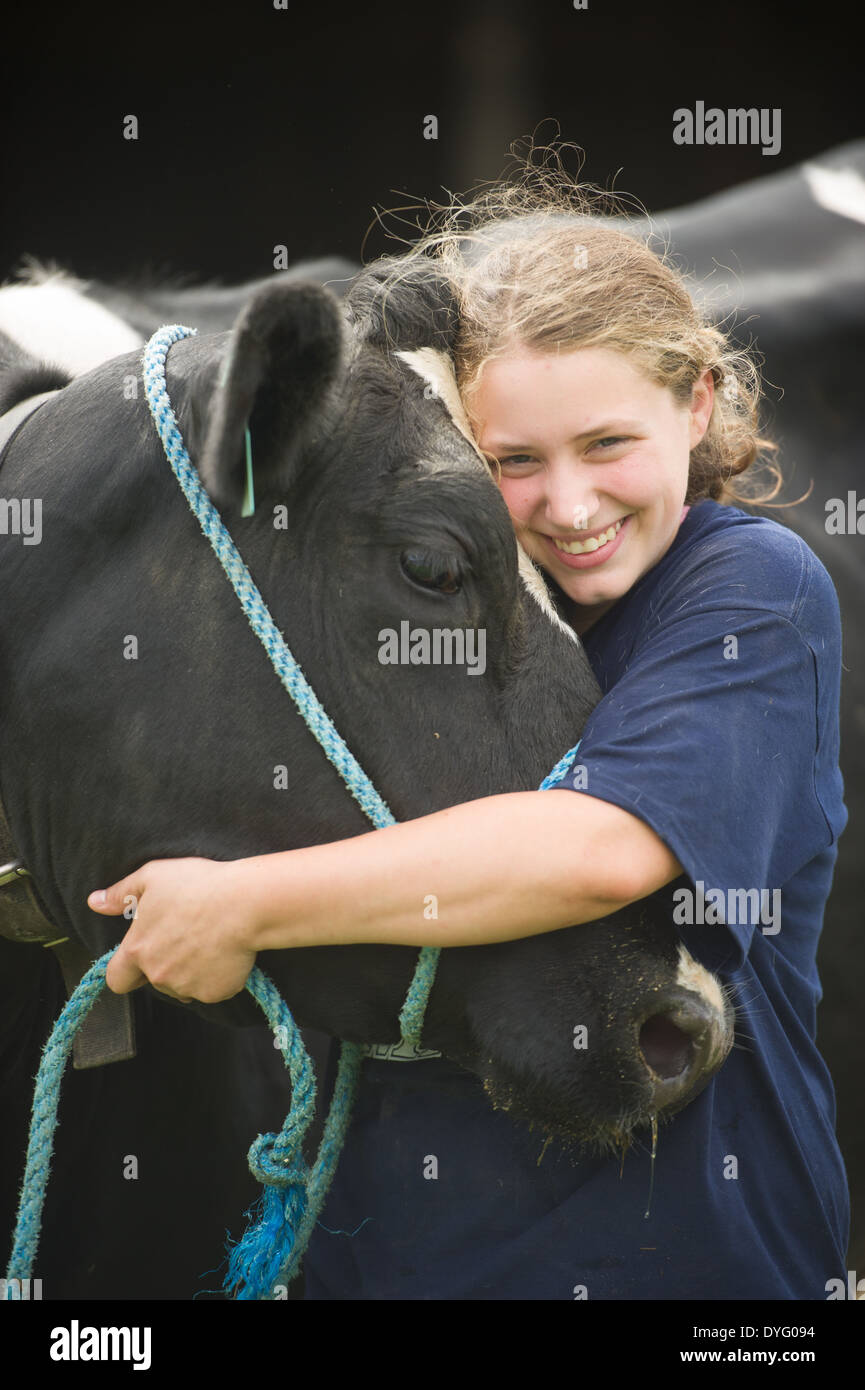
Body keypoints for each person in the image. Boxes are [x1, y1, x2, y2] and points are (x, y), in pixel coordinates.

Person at [88, 148, 849, 1299]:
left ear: (696, 402)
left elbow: (602, 849)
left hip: (680, 1254)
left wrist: (240, 901)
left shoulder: (749, 592)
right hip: (388, 1250)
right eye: (513, 463)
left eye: (607, 444)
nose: (571, 505)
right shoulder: (423, 602)